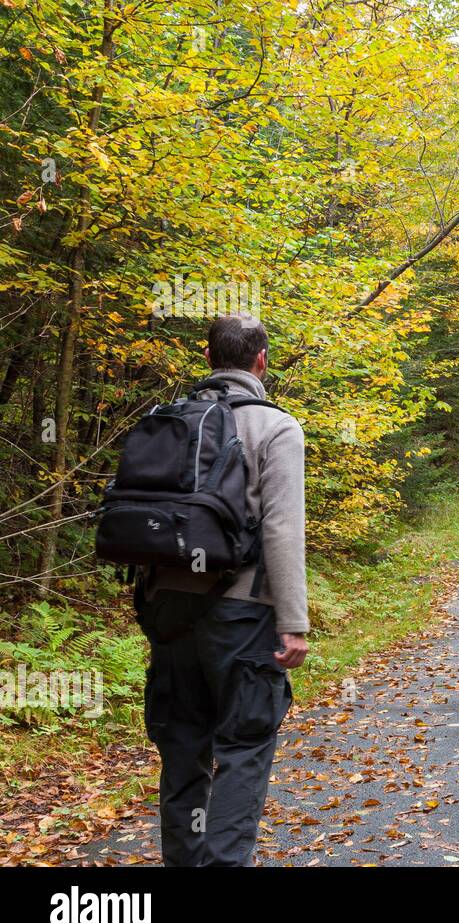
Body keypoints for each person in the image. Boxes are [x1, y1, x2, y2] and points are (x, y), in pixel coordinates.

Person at [137, 314, 310, 866]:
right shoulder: (275, 427)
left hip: (169, 612)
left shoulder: (169, 420)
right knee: (243, 746)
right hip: (241, 612)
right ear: (261, 361)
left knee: (183, 750)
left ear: (209, 359)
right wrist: (293, 621)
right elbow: (283, 529)